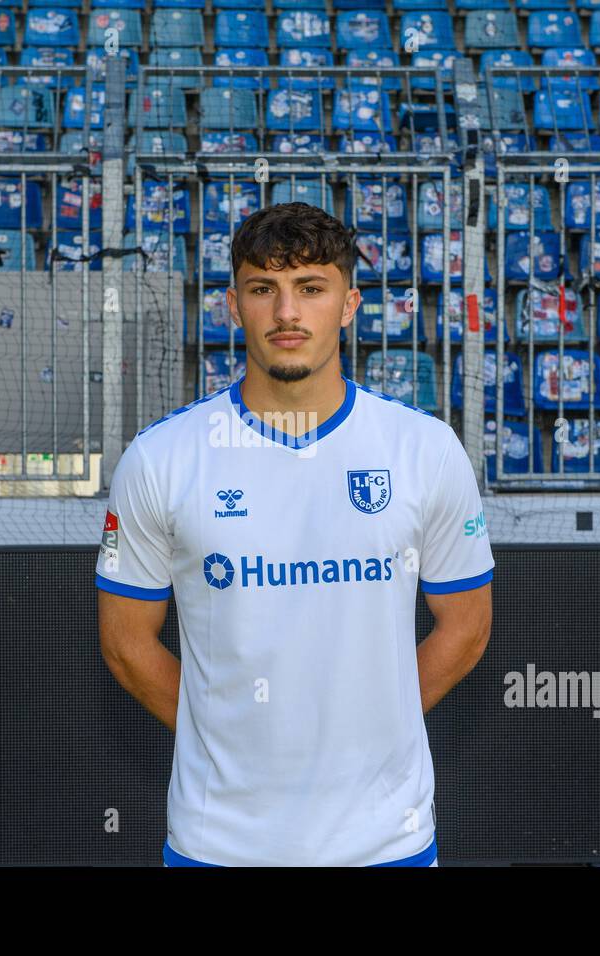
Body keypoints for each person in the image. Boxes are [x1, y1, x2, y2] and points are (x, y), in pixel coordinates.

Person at [96, 202, 494, 866]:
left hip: (385, 844)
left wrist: (370, 729)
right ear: (232, 304)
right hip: (218, 846)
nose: (287, 311)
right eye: (263, 289)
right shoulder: (161, 458)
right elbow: (126, 644)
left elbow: (467, 627)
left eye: (310, 288)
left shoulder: (424, 451)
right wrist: (232, 733)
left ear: (348, 304)